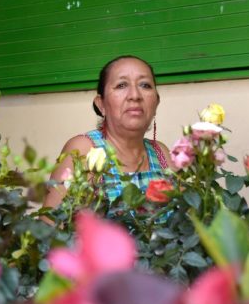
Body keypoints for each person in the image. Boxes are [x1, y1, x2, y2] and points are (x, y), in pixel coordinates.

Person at [43, 55, 174, 209]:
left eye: (145, 85)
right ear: (101, 104)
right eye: (121, 85)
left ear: (156, 103)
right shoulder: (84, 149)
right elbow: (51, 226)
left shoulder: (161, 152)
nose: (135, 96)